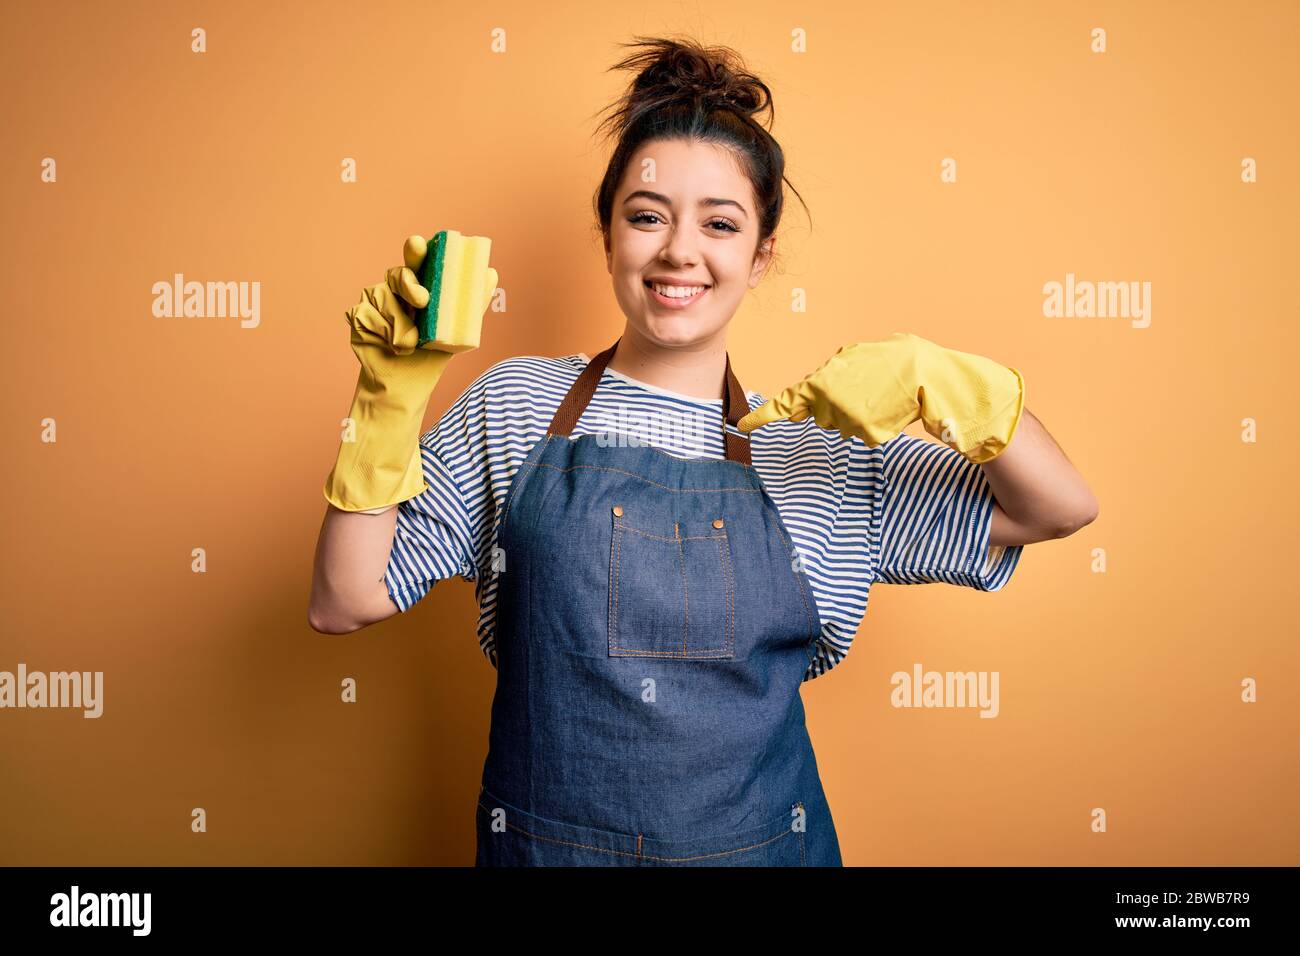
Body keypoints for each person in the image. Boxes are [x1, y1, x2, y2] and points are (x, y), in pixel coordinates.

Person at [308, 35, 1099, 867]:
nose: (679, 250)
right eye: (647, 216)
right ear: (608, 233)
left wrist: (952, 381)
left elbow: (1060, 506)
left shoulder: (817, 450)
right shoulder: (516, 405)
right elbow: (344, 599)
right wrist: (385, 403)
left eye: (720, 224)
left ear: (760, 257)